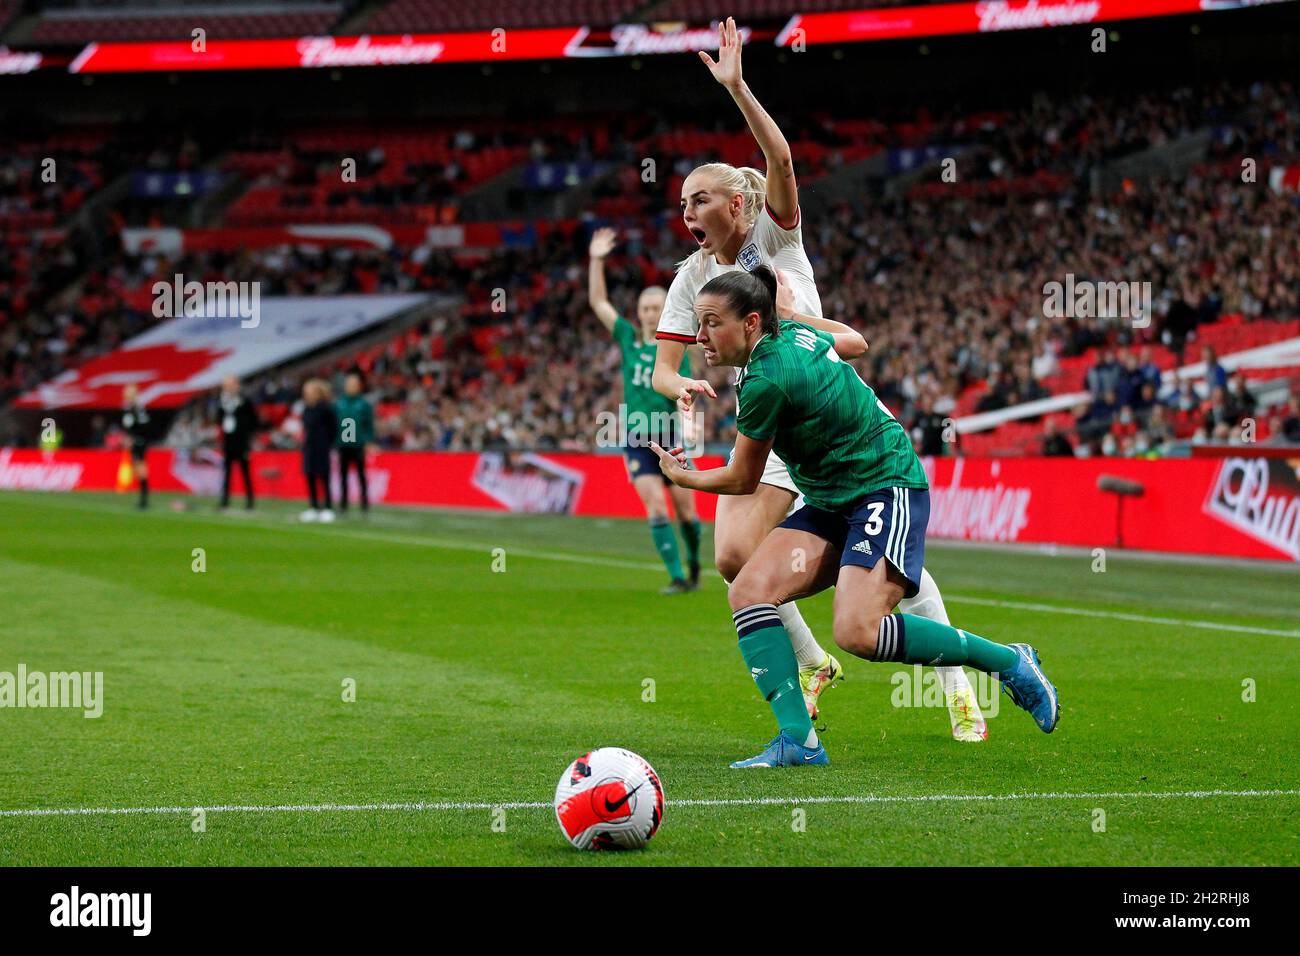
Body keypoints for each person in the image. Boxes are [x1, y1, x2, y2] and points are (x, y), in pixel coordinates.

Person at [650, 18, 987, 739]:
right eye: (679, 204)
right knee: (736, 560)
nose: (686, 214)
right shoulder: (692, 278)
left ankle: (959, 683)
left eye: (698, 200)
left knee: (877, 565)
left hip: (829, 415)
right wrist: (676, 388)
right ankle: (816, 666)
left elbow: (780, 154)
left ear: (735, 204)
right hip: (772, 424)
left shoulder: (774, 236)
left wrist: (738, 88)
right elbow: (663, 367)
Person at [651, 267, 1060, 767]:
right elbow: (853, 341)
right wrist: (795, 315)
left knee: (858, 633)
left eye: (711, 323)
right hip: (831, 499)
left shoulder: (766, 381)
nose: (699, 336)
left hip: (884, 487)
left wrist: (684, 476)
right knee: (748, 590)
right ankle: (800, 743)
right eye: (698, 322)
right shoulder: (794, 333)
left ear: (752, 322)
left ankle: (1009, 662)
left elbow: (741, 479)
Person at [588, 226, 702, 594]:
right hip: (638, 437)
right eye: (645, 309)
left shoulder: (673, 348)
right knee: (655, 506)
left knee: (686, 512)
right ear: (638, 313)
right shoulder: (627, 337)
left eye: (656, 308)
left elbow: (684, 393)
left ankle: (696, 563)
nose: (651, 314)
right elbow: (599, 303)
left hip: (670, 435)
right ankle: (677, 577)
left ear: (665, 310)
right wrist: (595, 259)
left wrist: (689, 429)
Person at [335, 372, 374, 515]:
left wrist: (368, 441)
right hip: (343, 445)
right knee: (343, 476)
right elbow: (335, 424)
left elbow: (368, 425)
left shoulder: (363, 404)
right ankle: (343, 504)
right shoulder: (339, 403)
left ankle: (364, 504)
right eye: (349, 385)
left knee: (361, 475)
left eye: (354, 385)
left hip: (358, 445)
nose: (351, 387)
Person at [217, 376, 258, 510]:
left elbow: (254, 420)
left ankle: (250, 502)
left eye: (231, 384)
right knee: (226, 474)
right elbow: (218, 419)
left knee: (245, 473)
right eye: (226, 385)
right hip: (228, 442)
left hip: (242, 442)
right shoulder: (222, 402)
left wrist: (244, 430)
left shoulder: (244, 401)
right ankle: (225, 501)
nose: (228, 387)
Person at [301, 379, 337, 522]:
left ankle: (328, 507)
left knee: (324, 477)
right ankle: (313, 507)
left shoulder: (327, 409)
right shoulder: (306, 409)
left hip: (322, 447)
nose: (306, 395)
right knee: (310, 476)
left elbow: (335, 428)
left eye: (309, 392)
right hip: (309, 447)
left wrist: (330, 443)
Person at [121, 384, 151, 509]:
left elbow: (144, 425)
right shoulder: (131, 408)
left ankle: (144, 500)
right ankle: (142, 498)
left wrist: (133, 438)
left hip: (139, 442)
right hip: (136, 441)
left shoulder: (137, 409)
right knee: (137, 470)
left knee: (141, 468)